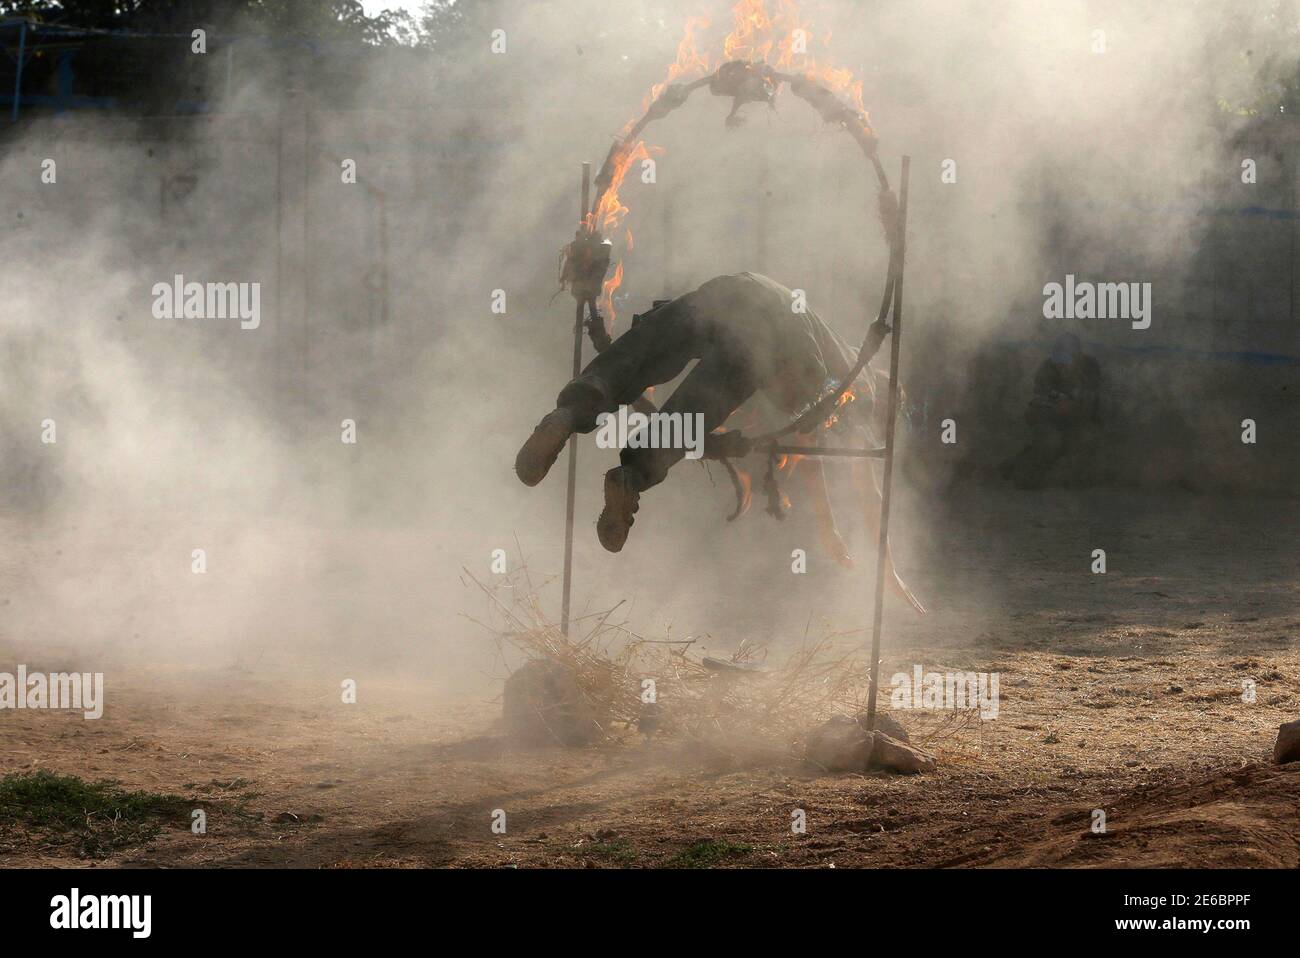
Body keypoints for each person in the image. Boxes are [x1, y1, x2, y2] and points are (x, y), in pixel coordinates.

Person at [515, 271, 924, 613]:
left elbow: (808, 451)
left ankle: (570, 413)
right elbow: (860, 487)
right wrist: (883, 566)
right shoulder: (861, 389)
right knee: (693, 413)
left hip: (733, 288)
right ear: (887, 403)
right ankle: (633, 475)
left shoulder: (839, 343)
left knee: (639, 355)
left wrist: (829, 527)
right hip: (778, 339)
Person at [1002, 333, 1102, 489]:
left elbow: (1092, 399)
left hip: (1080, 418)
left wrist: (1075, 406)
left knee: (1087, 437)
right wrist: (1057, 407)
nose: (1061, 366)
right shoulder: (1047, 368)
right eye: (1059, 361)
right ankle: (1026, 473)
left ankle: (1074, 479)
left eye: (1067, 361)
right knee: (1050, 441)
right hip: (1050, 417)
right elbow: (1040, 398)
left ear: (1078, 357)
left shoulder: (1090, 368)